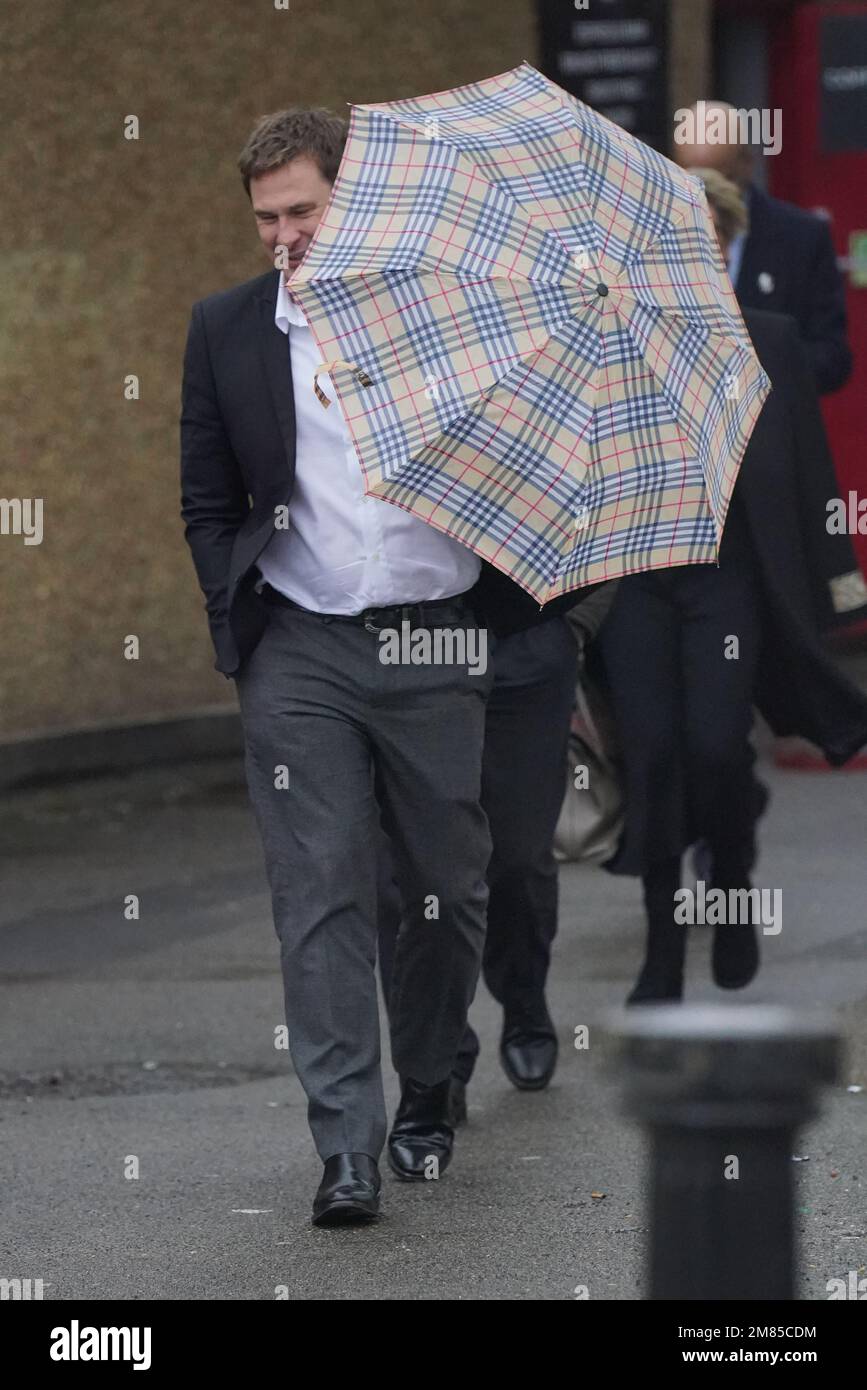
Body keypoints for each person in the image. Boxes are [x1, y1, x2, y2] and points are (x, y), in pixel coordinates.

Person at [179, 107, 574, 1226]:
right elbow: (206, 497)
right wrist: (236, 609)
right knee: (322, 890)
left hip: (436, 633)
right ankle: (344, 1148)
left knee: (445, 889)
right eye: (266, 217)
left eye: (303, 209)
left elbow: (530, 460)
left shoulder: (450, 317)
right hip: (300, 643)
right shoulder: (228, 330)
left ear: (352, 200)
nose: (283, 234)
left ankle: (433, 1076)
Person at [595, 167, 867, 1005]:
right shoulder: (607, 340)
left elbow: (810, 476)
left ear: (723, 248)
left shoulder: (770, 340)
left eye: (701, 242)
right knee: (651, 761)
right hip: (636, 580)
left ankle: (735, 882)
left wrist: (840, 590)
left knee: (715, 748)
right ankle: (663, 948)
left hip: (730, 581)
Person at [379, 583, 615, 1124]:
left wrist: (571, 625)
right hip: (408, 655)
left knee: (518, 857)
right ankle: (437, 1063)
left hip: (525, 653)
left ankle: (524, 995)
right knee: (408, 877)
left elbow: (603, 515)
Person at [675, 100, 852, 396]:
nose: (711, 193)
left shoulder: (801, 238)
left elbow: (833, 359)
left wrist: (756, 369)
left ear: (747, 164)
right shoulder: (650, 238)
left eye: (723, 178)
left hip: (771, 426)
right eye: (697, 179)